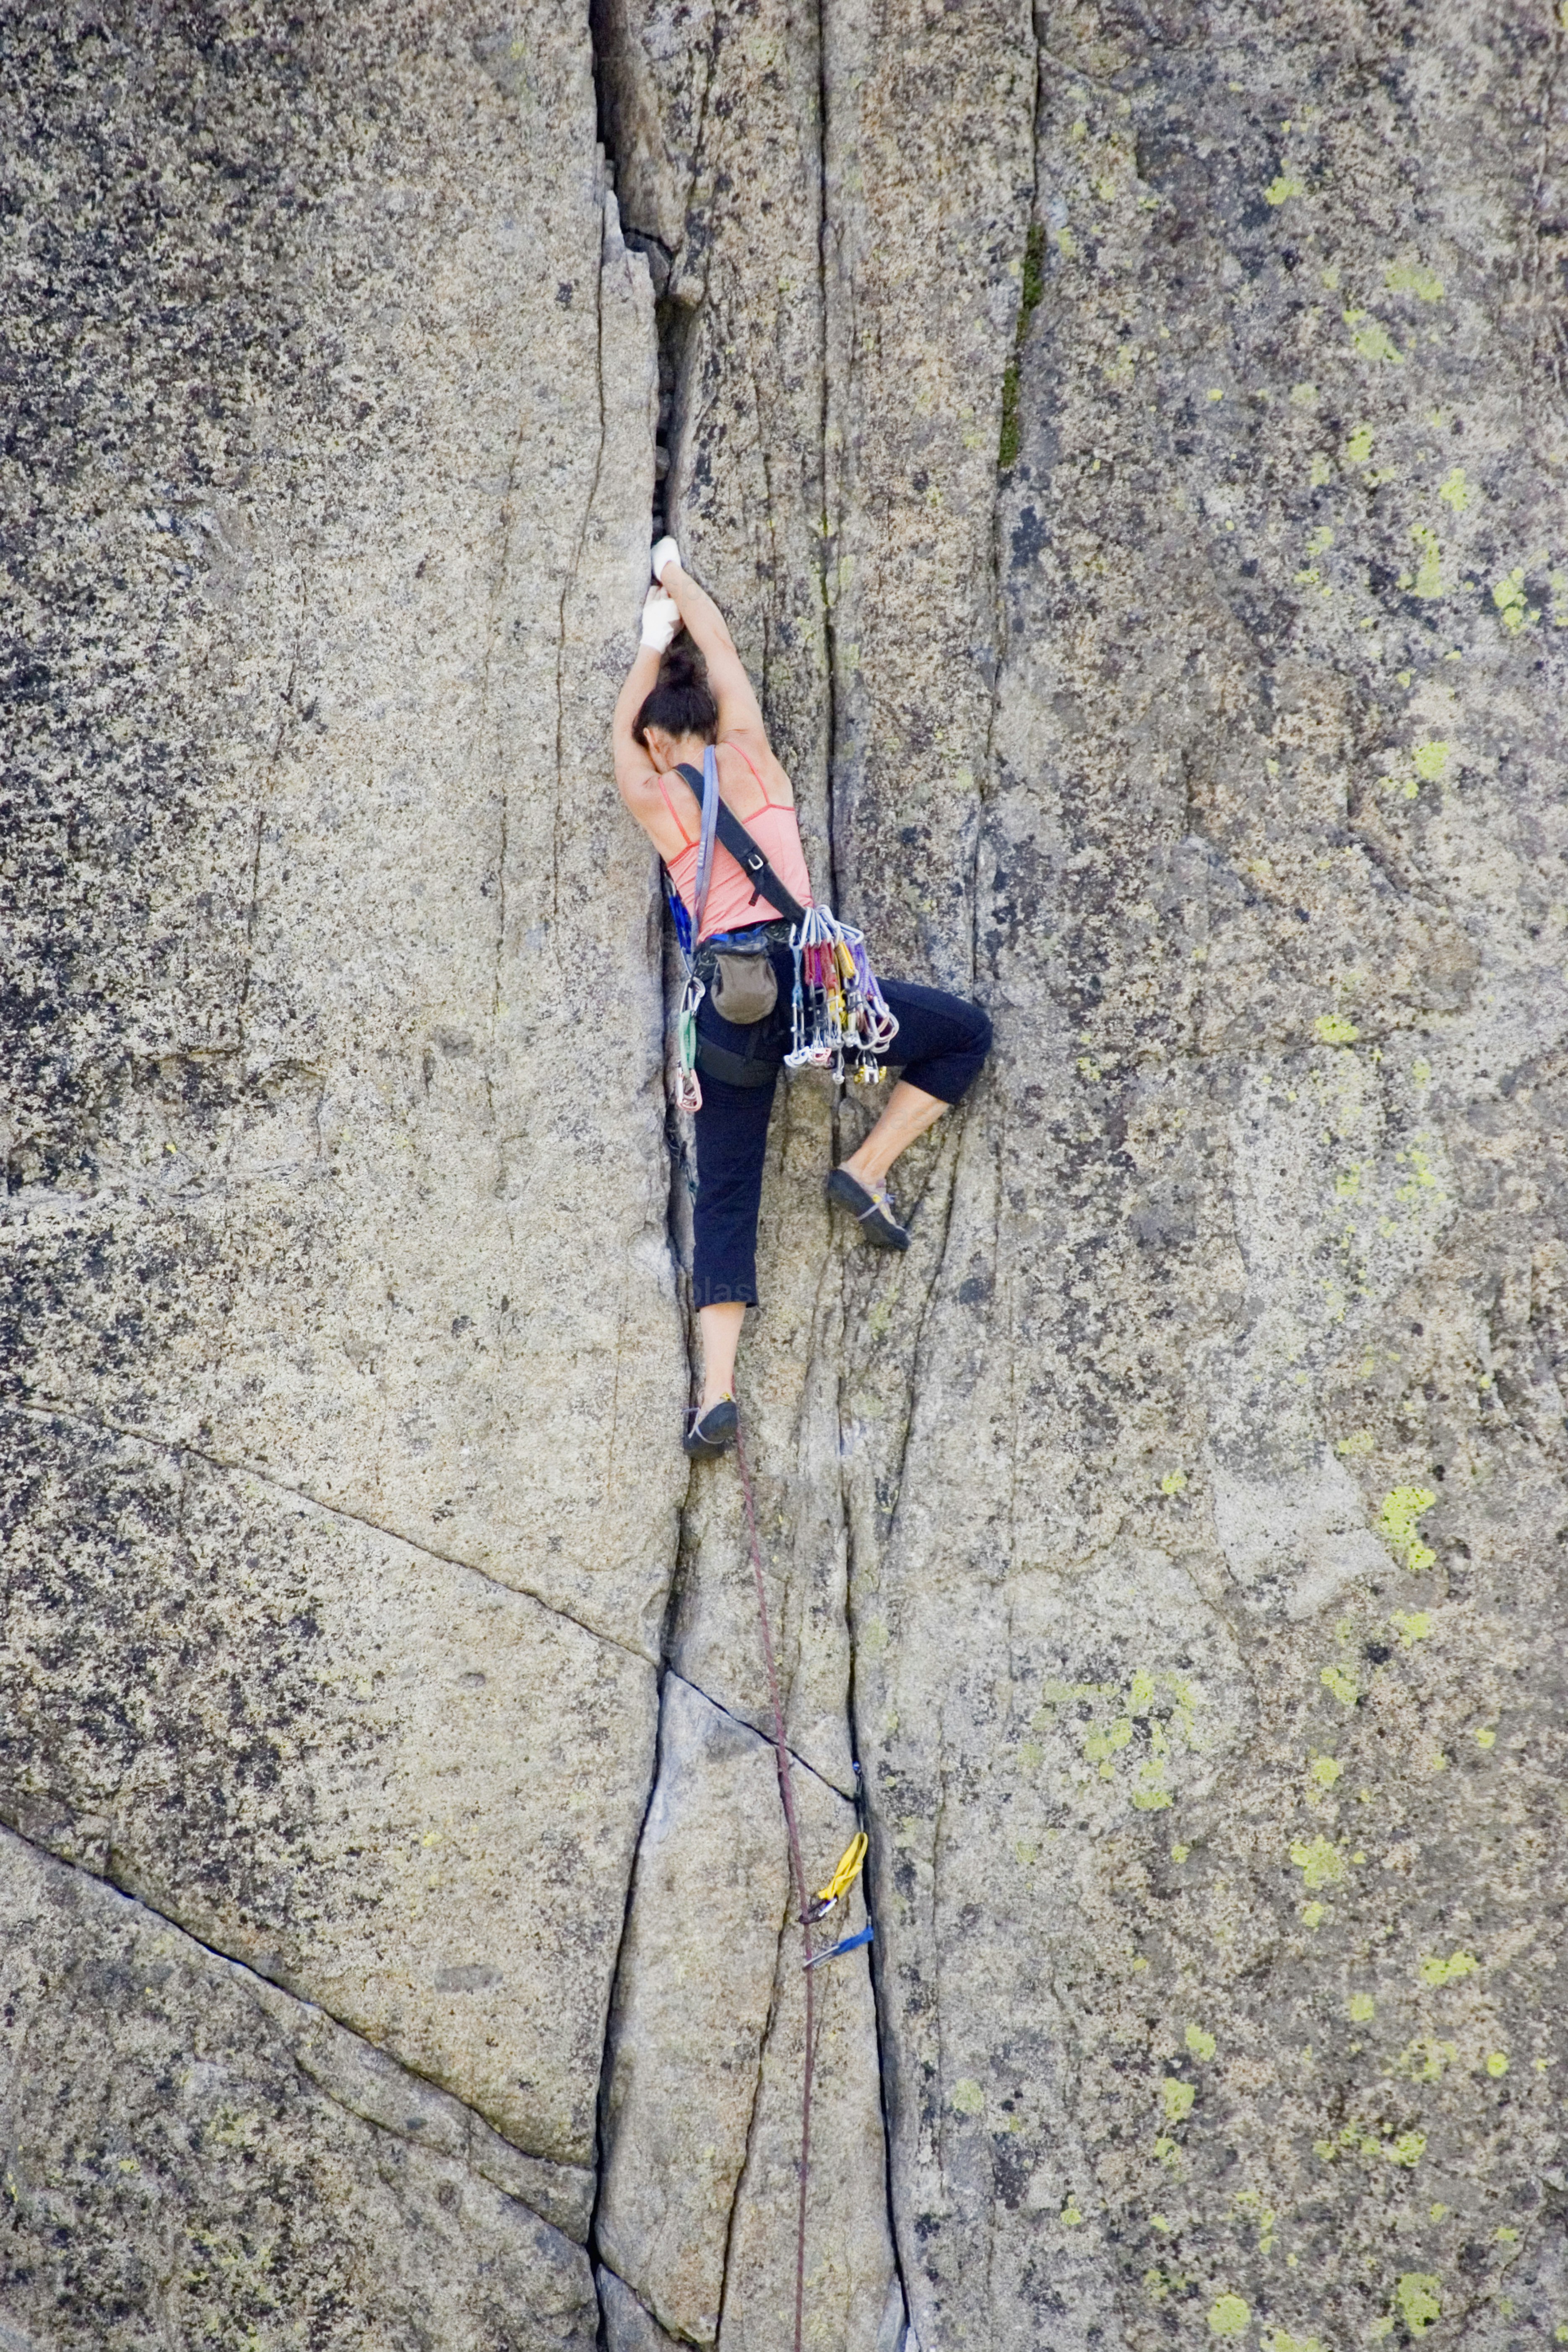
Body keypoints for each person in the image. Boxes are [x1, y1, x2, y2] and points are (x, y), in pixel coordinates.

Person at [612, 538, 991, 1458]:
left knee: (728, 1195)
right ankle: (864, 1167)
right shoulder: (760, 763)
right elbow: (728, 655)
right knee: (962, 1037)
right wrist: (678, 586)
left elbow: (618, 740)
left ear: (662, 741)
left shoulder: (659, 800)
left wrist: (641, 649)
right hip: (819, 1004)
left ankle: (717, 1393)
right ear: (711, 718)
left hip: (730, 1014)